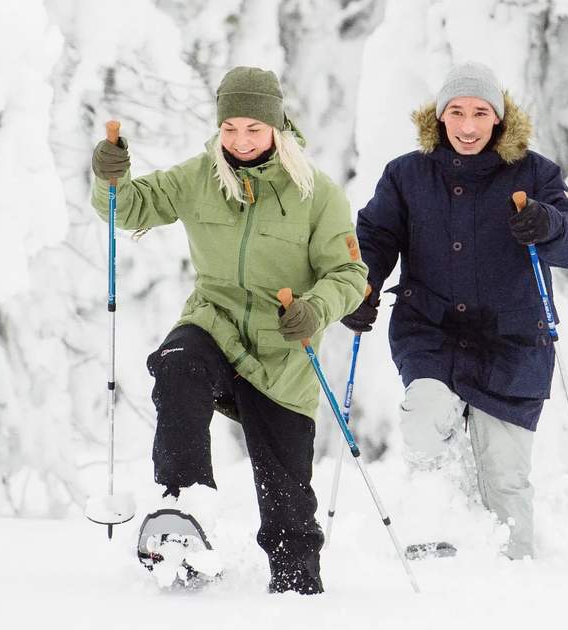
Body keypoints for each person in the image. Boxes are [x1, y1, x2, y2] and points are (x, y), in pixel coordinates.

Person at [90, 66, 368, 594]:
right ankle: (184, 510)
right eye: (230, 128)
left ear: (277, 128)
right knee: (178, 363)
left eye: (253, 129)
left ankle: (297, 593)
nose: (240, 140)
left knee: (289, 513)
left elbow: (350, 275)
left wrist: (315, 308)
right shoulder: (201, 177)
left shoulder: (317, 194)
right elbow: (126, 207)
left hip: (283, 358)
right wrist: (110, 176)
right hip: (213, 325)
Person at [343, 62, 568, 560]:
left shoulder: (535, 173)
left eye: (480, 113)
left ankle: (514, 576)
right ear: (438, 118)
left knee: (504, 481)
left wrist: (547, 223)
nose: (468, 125)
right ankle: (437, 532)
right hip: (431, 332)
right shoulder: (407, 174)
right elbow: (374, 237)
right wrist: (362, 286)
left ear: (498, 120)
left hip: (513, 342)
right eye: (456, 112)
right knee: (426, 418)